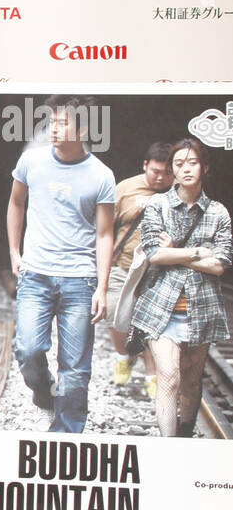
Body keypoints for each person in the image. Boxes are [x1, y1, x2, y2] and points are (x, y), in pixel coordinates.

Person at [7, 94, 115, 433]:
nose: (53, 128)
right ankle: (43, 391)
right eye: (51, 121)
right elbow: (15, 204)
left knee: (76, 367)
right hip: (36, 274)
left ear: (83, 128)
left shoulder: (101, 175)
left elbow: (105, 234)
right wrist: (14, 251)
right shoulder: (31, 162)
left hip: (80, 280)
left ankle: (66, 434)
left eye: (62, 122)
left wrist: (102, 287)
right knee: (28, 348)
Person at [129, 136, 231, 437]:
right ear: (172, 170)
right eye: (179, 163)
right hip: (162, 307)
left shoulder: (218, 212)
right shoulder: (158, 205)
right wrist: (199, 252)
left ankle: (184, 434)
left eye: (193, 162)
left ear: (205, 167)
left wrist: (177, 253)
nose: (186, 169)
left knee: (191, 379)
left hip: (202, 308)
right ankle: (169, 445)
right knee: (169, 376)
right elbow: (155, 253)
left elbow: (221, 264)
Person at [108, 143, 173, 396]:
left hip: (157, 272)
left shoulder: (179, 193)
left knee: (150, 325)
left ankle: (152, 376)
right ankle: (123, 356)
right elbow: (104, 227)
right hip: (122, 265)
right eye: (155, 171)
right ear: (145, 165)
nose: (160, 177)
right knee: (114, 313)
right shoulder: (125, 188)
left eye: (167, 173)